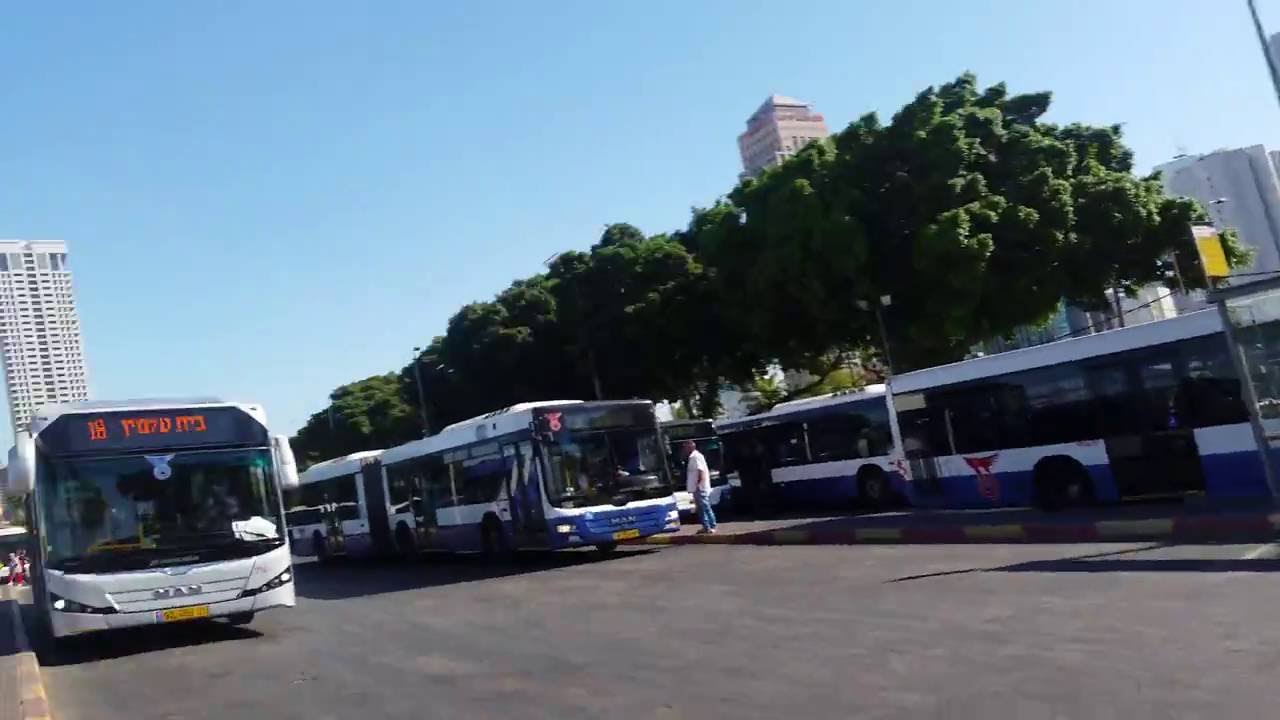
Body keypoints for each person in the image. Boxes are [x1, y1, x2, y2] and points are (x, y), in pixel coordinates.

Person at [682, 440, 716, 534]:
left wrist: (698, 484)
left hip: (699, 488)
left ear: (690, 447)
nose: (684, 450)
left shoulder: (695, 457)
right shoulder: (694, 456)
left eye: (685, 447)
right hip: (697, 487)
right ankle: (706, 527)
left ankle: (711, 526)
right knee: (701, 509)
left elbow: (700, 471)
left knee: (705, 507)